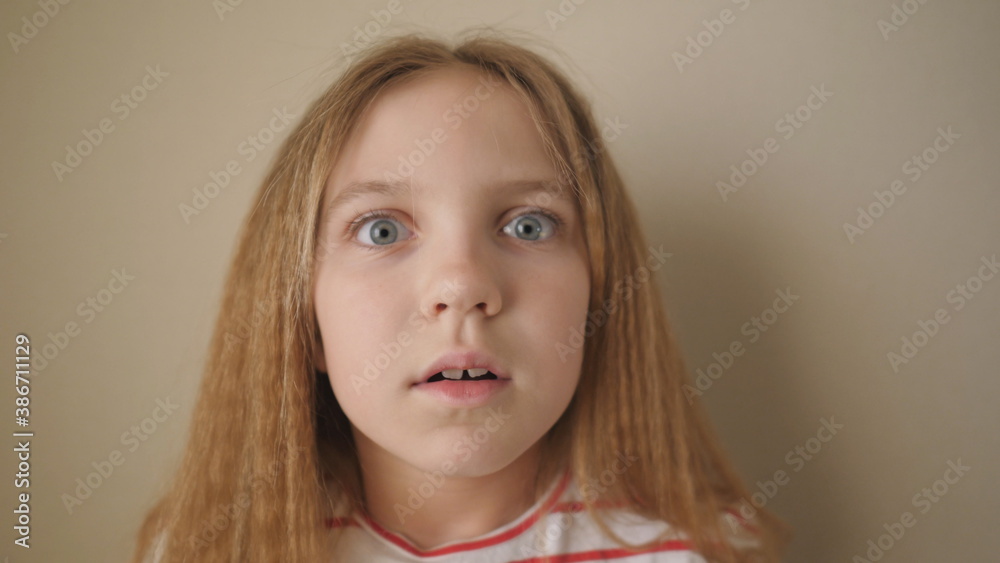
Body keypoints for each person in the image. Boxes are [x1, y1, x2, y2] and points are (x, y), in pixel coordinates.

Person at [132, 28, 790, 562]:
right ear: (304, 318)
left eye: (527, 225)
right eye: (382, 229)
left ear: (599, 298)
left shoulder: (691, 554)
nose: (462, 284)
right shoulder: (207, 549)